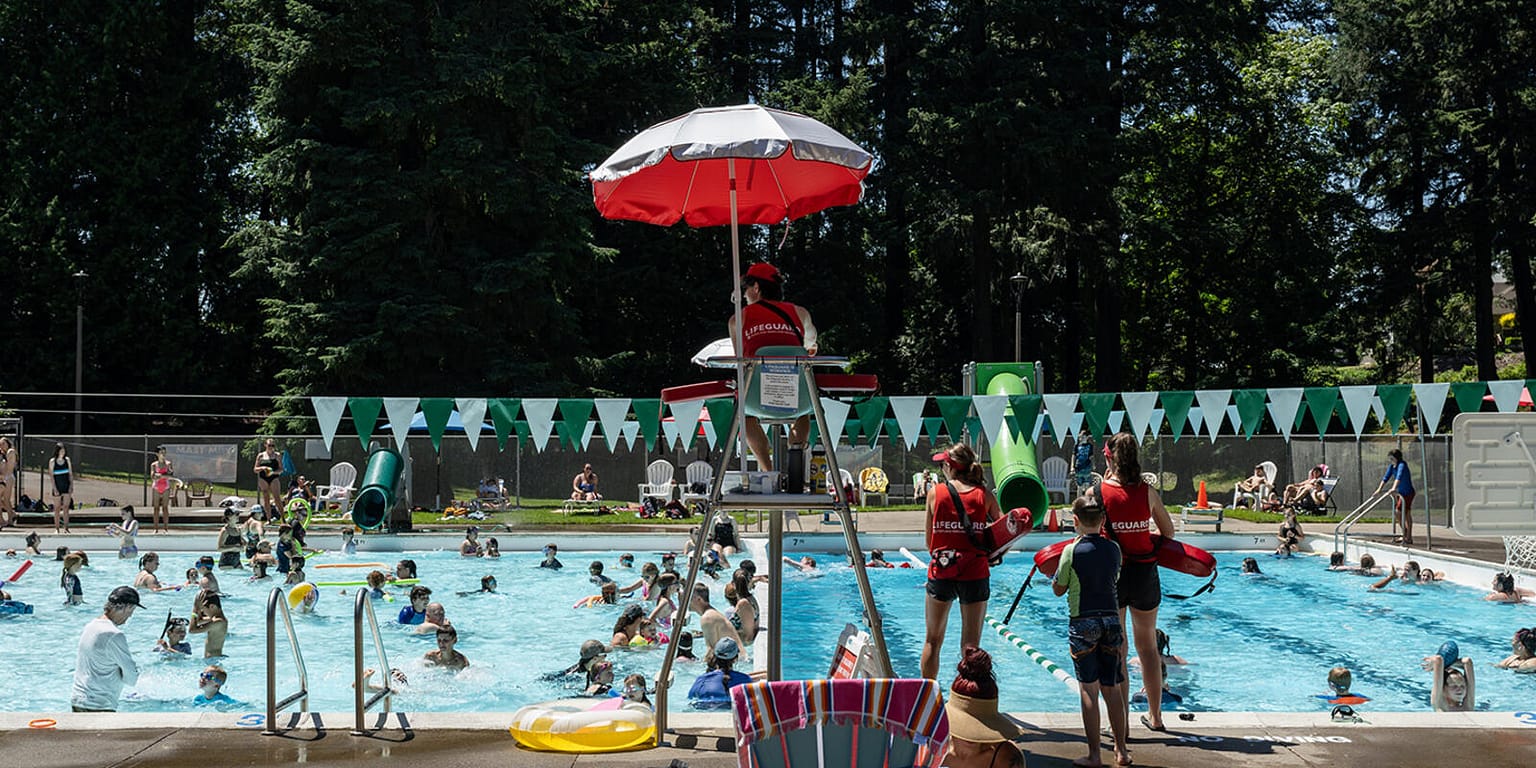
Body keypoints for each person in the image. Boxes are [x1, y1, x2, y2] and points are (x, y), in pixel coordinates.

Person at [1098, 432, 1176, 733]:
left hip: (1113, 576)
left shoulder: (1099, 491)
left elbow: (1089, 534)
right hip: (1144, 575)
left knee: (1118, 649)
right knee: (1148, 650)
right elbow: (1168, 532)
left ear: (1109, 459)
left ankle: (1122, 725)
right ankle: (1156, 718)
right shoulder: (1147, 492)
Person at [1052, 495, 1131, 768]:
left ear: (1075, 521)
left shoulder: (1070, 552)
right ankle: (1121, 751)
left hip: (1082, 622)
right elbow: (1114, 579)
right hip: (1111, 621)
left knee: (1089, 690)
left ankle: (1095, 755)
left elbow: (1058, 588)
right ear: (1103, 521)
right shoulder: (1114, 550)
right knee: (1113, 688)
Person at [920, 442, 1005, 681]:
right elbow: (1002, 536)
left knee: (932, 640)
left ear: (949, 466)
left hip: (942, 570)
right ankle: (969, 701)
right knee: (971, 645)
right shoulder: (984, 495)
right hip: (975, 572)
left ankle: (927, 699)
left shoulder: (936, 493)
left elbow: (929, 543)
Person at [727, 262, 818, 473]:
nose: (746, 293)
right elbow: (811, 344)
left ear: (756, 288)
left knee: (744, 414)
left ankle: (767, 470)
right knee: (805, 412)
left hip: (755, 398)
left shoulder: (738, 319)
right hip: (797, 398)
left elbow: (739, 358)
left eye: (746, 288)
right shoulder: (800, 312)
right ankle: (795, 459)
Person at [71, 586, 141, 711]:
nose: (130, 616)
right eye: (132, 610)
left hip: (78, 699)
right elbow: (131, 678)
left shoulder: (91, 626)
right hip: (99, 704)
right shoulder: (114, 634)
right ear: (127, 607)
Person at [688, 582, 743, 667]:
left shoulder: (707, 618)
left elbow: (712, 650)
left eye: (689, 598)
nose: (687, 602)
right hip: (737, 660)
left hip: (737, 663)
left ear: (699, 599)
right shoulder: (712, 613)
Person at [687, 637, 752, 707]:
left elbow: (690, 699)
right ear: (735, 658)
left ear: (715, 656)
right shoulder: (745, 681)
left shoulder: (701, 680)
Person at [1373, 449, 1417, 545]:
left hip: (1407, 493)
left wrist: (1393, 488)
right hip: (1401, 493)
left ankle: (1406, 535)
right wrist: (1379, 489)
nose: (1391, 460)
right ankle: (1407, 535)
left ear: (1397, 458)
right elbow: (1386, 477)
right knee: (1406, 513)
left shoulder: (1402, 465)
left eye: (1392, 458)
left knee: (1399, 512)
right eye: (1390, 459)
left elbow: (1399, 477)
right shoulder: (1392, 466)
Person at [1422, 641, 1474, 712]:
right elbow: (1438, 659)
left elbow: (1467, 661)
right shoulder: (1440, 706)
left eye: (1462, 686)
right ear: (1443, 689)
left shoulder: (1468, 705)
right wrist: (1436, 664)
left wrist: (1448, 662)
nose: (1459, 689)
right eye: (1454, 686)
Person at [190, 592, 228, 658]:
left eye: (203, 609)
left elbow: (192, 630)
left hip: (214, 659)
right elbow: (198, 621)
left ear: (212, 606)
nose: (203, 612)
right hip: (213, 658)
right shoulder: (215, 619)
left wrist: (195, 609)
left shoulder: (219, 622)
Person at [254, 438, 283, 517]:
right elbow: (255, 469)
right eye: (269, 445)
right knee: (266, 498)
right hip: (263, 478)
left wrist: (273, 472)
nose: (271, 447)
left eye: (273, 445)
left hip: (273, 477)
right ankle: (268, 518)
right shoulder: (261, 455)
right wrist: (263, 468)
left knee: (277, 498)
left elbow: (281, 469)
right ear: (265, 445)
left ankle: (282, 518)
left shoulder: (277, 455)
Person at [49, 442, 73, 533]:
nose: (63, 453)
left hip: (66, 485)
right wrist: (54, 488)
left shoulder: (67, 460)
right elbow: (51, 476)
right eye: (61, 451)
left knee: (66, 507)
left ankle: (66, 528)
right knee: (57, 508)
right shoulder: (52, 461)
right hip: (57, 486)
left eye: (64, 451)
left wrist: (71, 485)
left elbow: (70, 474)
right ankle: (57, 528)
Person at [149, 446, 174, 533]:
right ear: (157, 454)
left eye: (164, 453)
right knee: (156, 508)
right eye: (161, 453)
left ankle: (165, 529)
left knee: (165, 508)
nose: (163, 455)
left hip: (165, 487)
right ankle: (155, 529)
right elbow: (153, 476)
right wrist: (160, 476)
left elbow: (170, 475)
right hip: (156, 487)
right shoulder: (154, 465)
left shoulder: (168, 464)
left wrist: (161, 476)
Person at [0, 436, 17, 528]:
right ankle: (11, 516)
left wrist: (5, 479)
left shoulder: (11, 452)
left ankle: (9, 519)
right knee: (5, 500)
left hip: (8, 478)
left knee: (5, 499)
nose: (2, 446)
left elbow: (9, 468)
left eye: (3, 443)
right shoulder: (3, 454)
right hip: (4, 478)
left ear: (8, 443)